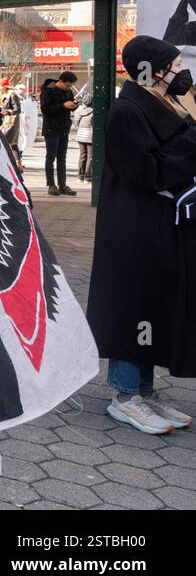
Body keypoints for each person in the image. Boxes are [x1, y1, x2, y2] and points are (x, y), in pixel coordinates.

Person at [86, 36, 196, 435]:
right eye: (173, 63)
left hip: (159, 225)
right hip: (133, 229)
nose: (180, 70)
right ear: (152, 67)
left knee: (152, 305)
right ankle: (125, 395)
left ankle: (145, 392)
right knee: (133, 307)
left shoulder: (164, 103)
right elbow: (145, 173)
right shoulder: (128, 111)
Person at [40, 70, 79, 196]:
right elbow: (45, 109)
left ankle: (62, 185)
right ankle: (51, 184)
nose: (69, 88)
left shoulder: (68, 92)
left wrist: (74, 105)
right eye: (67, 85)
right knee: (50, 157)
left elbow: (69, 105)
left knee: (62, 158)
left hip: (64, 128)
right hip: (51, 128)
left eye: (71, 86)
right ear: (60, 81)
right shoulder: (48, 91)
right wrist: (63, 106)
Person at [73, 89, 94, 183]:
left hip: (80, 135)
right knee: (90, 157)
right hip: (90, 135)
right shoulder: (94, 111)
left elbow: (76, 122)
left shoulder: (78, 110)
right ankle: (88, 177)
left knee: (82, 155)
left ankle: (80, 176)